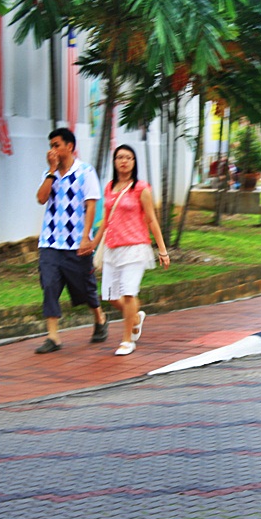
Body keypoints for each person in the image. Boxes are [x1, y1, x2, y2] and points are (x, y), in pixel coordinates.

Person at [34, 128, 108, 354]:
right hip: (49, 242)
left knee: (85, 288)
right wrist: (51, 171)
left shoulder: (85, 171)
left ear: (70, 146)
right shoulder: (49, 174)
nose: (53, 150)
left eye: (56, 145)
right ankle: (53, 337)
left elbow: (91, 205)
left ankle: (100, 317)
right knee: (49, 285)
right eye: (51, 146)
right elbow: (41, 199)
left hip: (76, 243)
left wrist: (86, 237)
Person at [91, 145, 170, 356]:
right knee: (110, 295)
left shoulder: (141, 188)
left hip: (135, 247)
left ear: (134, 162)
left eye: (128, 157)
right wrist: (92, 244)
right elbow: (105, 221)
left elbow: (151, 220)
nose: (124, 161)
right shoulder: (109, 187)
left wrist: (162, 250)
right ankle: (135, 317)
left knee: (128, 293)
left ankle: (127, 340)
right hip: (112, 247)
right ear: (114, 161)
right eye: (120, 157)